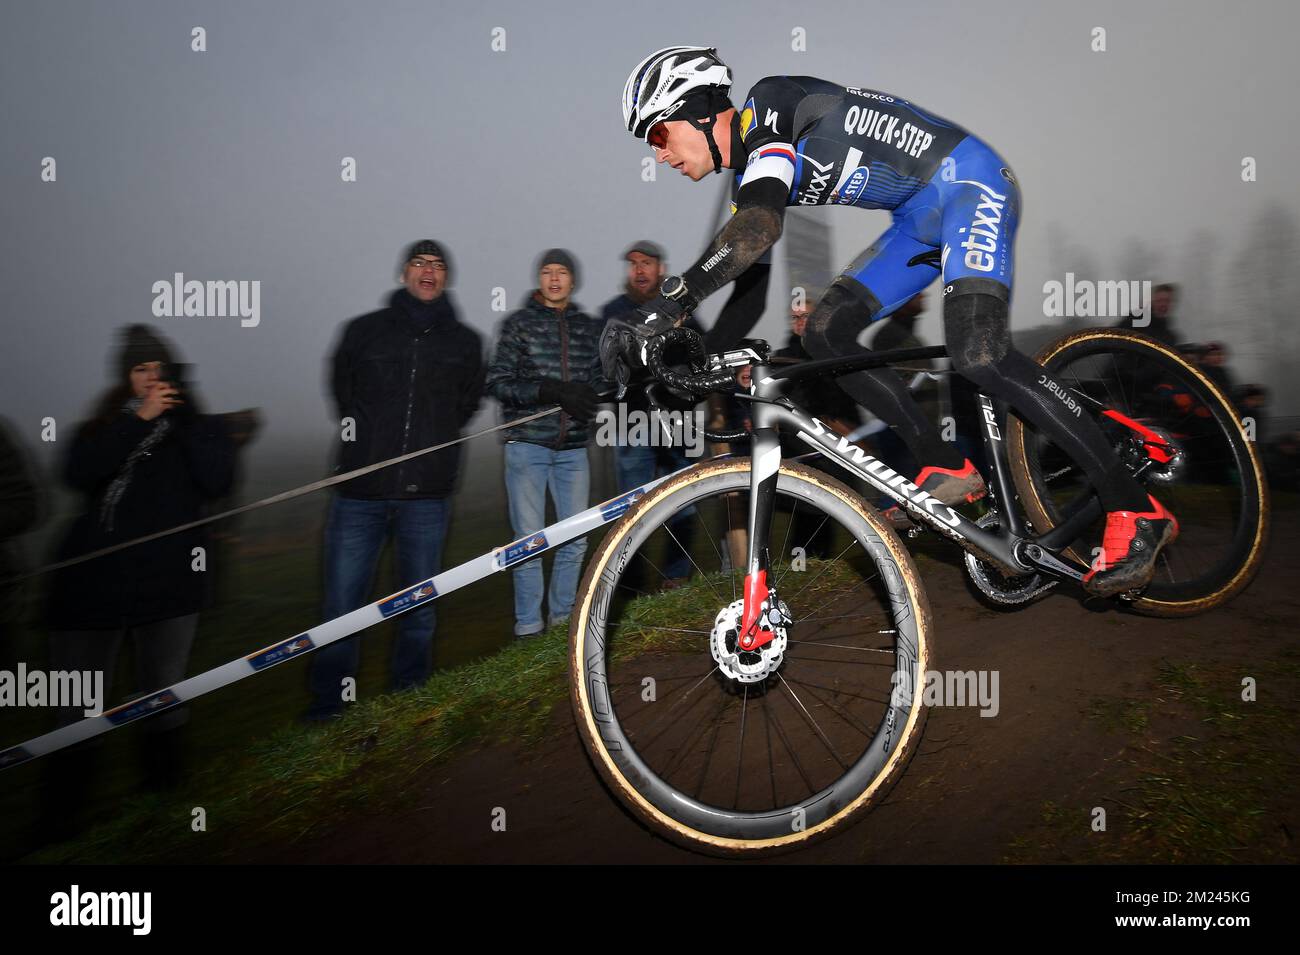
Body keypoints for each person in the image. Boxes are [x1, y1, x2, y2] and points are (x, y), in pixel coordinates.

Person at [613, 46, 1177, 597]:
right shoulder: (752, 179)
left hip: (969, 186)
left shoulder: (771, 103)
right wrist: (701, 358)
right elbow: (748, 296)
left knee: (978, 352)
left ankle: (1134, 507)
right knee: (825, 333)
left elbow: (758, 229)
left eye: (659, 135)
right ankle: (944, 463)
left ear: (700, 110)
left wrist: (667, 304)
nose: (659, 156)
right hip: (916, 220)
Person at [42, 324, 235, 834]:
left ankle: (163, 808)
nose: (152, 378)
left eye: (159, 368)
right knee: (77, 707)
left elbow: (218, 479)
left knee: (162, 696)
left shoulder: (197, 426)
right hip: (90, 589)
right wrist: (135, 421)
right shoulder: (100, 428)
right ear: (125, 377)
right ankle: (62, 826)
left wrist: (185, 418)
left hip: (170, 587)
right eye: (140, 369)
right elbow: (80, 475)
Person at [309, 240, 484, 720]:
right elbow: (342, 391)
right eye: (420, 263)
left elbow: (466, 404)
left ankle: (408, 702)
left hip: (426, 497)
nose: (428, 272)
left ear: (447, 277)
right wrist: (368, 441)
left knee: (418, 607)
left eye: (438, 265)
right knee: (342, 607)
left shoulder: (465, 342)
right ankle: (328, 708)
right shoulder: (363, 331)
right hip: (358, 495)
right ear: (403, 271)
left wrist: (434, 437)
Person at [486, 249, 606, 636]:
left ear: (574, 280)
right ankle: (527, 626)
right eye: (547, 271)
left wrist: (593, 397)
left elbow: (602, 380)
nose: (554, 279)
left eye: (562, 272)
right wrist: (550, 390)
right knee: (529, 543)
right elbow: (498, 382)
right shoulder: (518, 324)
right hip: (527, 446)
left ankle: (561, 622)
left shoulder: (589, 327)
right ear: (539, 278)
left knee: (575, 540)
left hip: (573, 449)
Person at [600, 241, 698, 587]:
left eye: (647, 263)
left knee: (684, 504)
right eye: (634, 264)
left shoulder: (680, 308)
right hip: (631, 424)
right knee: (632, 511)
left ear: (660, 268)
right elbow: (602, 368)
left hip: (677, 423)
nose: (640, 270)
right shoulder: (613, 313)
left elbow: (701, 357)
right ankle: (632, 587)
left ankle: (676, 579)